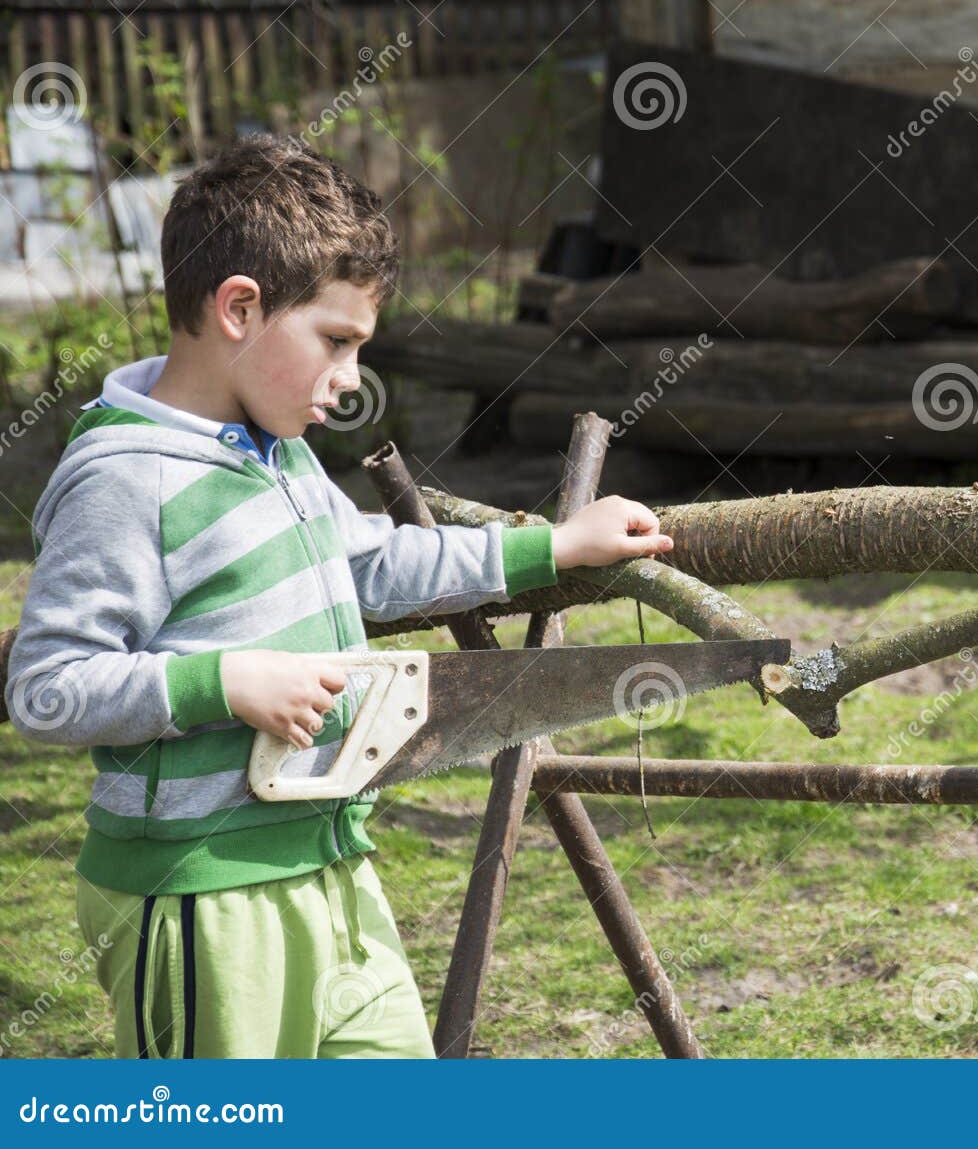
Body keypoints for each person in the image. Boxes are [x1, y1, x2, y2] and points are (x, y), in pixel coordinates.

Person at [5, 134, 672, 1058]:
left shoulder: (272, 453)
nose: (352, 376)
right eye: (338, 340)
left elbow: (370, 560)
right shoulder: (125, 480)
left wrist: (553, 546)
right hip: (204, 899)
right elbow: (46, 686)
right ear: (240, 307)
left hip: (333, 869)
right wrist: (225, 681)